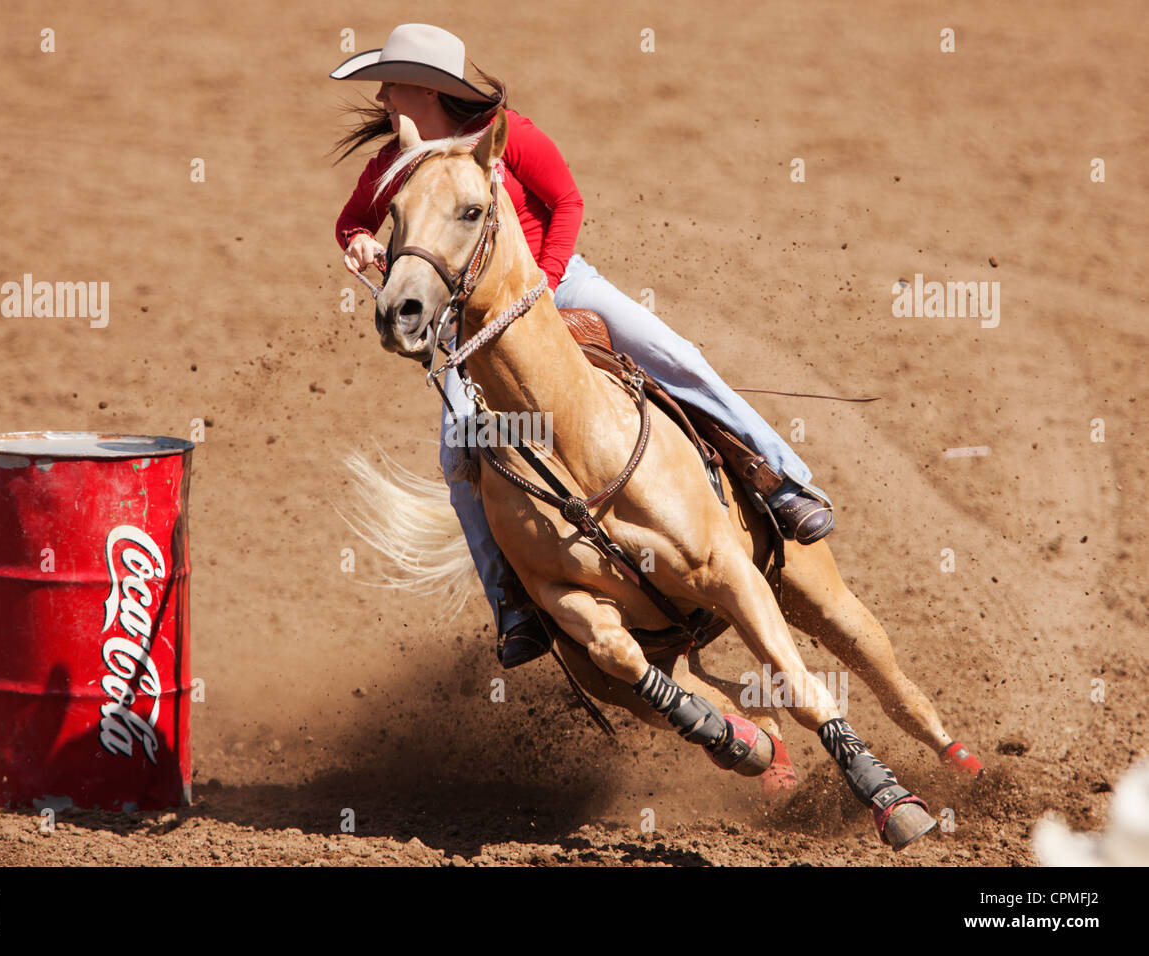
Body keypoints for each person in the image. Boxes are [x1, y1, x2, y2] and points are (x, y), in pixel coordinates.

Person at [330, 24, 835, 667]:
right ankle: (512, 601)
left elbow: (566, 201)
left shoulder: (507, 135)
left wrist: (546, 280)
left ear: (425, 89)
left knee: (679, 359)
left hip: (562, 285)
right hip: (473, 324)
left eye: (390, 82)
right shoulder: (396, 164)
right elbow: (350, 220)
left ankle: (783, 483)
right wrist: (360, 242)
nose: (379, 96)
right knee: (459, 452)